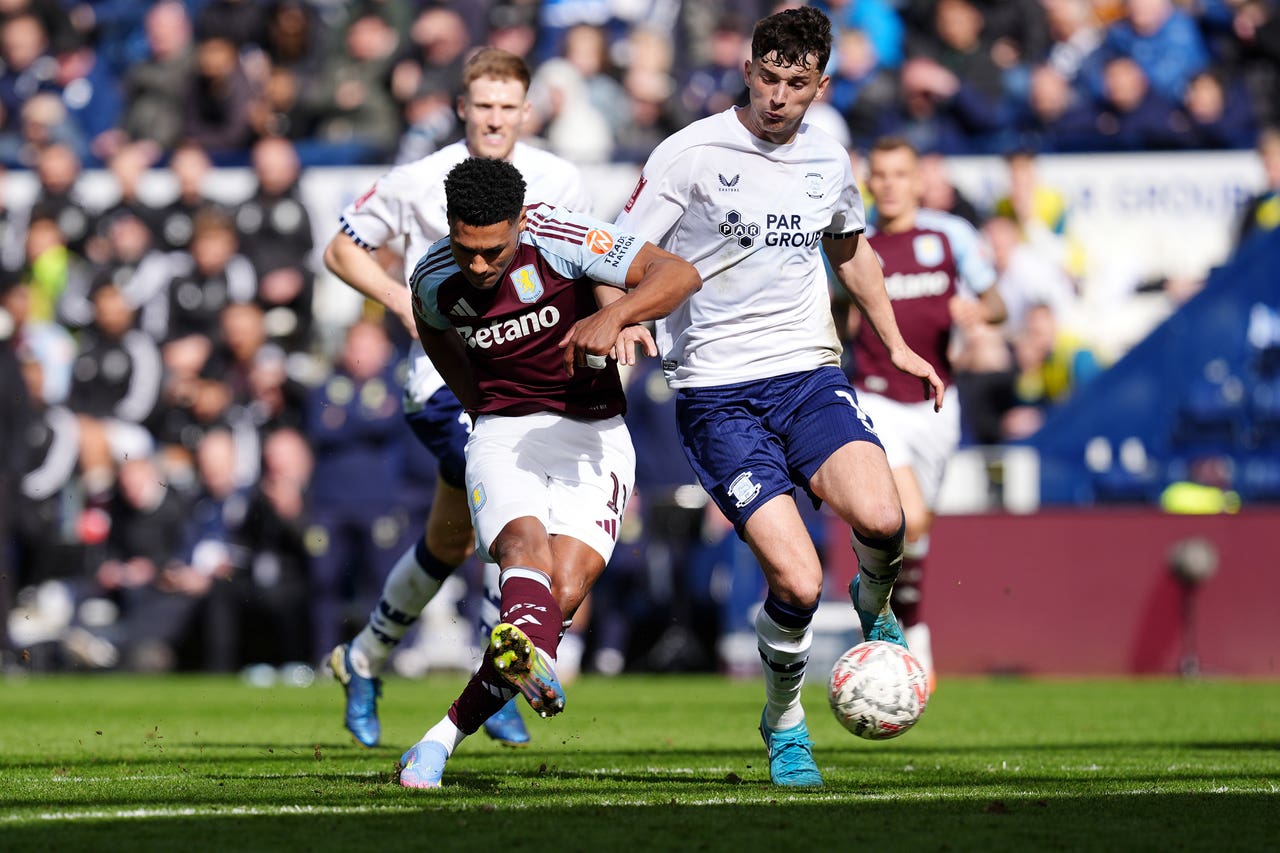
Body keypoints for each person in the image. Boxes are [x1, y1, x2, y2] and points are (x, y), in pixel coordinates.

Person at [613, 6, 945, 788]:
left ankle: (873, 597)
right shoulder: (689, 155)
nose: (778, 97)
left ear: (821, 85)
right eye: (768, 77)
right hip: (717, 393)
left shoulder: (828, 158)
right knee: (796, 582)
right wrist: (623, 317)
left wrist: (895, 342)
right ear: (747, 69)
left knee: (885, 518)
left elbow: (849, 248)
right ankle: (785, 720)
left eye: (797, 84)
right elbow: (619, 247)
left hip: (807, 373)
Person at [395, 156, 701, 788]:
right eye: (466, 249)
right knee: (522, 549)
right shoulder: (432, 275)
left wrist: (615, 314)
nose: (478, 266)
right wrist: (477, 403)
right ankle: (452, 734)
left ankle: (452, 723)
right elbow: (432, 329)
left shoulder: (561, 237)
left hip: (596, 438)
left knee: (556, 599)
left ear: (519, 222)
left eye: (493, 251)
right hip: (505, 434)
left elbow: (678, 273)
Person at [321, 48, 593, 751]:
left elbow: (593, 263)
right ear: (462, 108)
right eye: (484, 105)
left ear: (526, 111)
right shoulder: (418, 180)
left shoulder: (560, 179)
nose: (495, 118)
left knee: (450, 540)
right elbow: (342, 249)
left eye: (508, 106)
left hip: (532, 382)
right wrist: (399, 302)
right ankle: (501, 671)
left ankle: (363, 657)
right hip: (446, 384)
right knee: (513, 508)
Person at [848, 136, 1006, 688]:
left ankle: (903, 616)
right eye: (881, 175)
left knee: (921, 530)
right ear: (870, 182)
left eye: (900, 174)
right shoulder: (854, 241)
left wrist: (976, 313)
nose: (890, 184)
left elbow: (997, 304)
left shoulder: (950, 236)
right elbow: (837, 311)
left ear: (919, 181)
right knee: (908, 517)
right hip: (874, 395)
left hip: (938, 401)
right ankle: (908, 634)